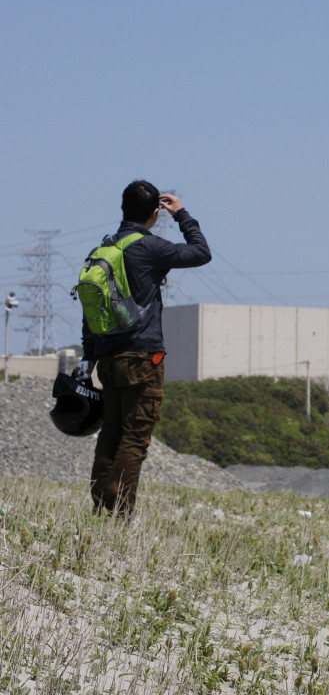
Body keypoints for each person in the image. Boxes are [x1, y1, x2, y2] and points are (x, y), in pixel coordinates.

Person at [82, 180, 211, 518]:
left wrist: (90, 355)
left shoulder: (104, 249)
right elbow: (201, 252)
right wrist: (181, 214)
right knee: (136, 436)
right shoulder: (149, 247)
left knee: (111, 431)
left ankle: (100, 509)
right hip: (142, 357)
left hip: (107, 357)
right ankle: (121, 509)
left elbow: (90, 306)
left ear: (123, 209)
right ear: (156, 212)